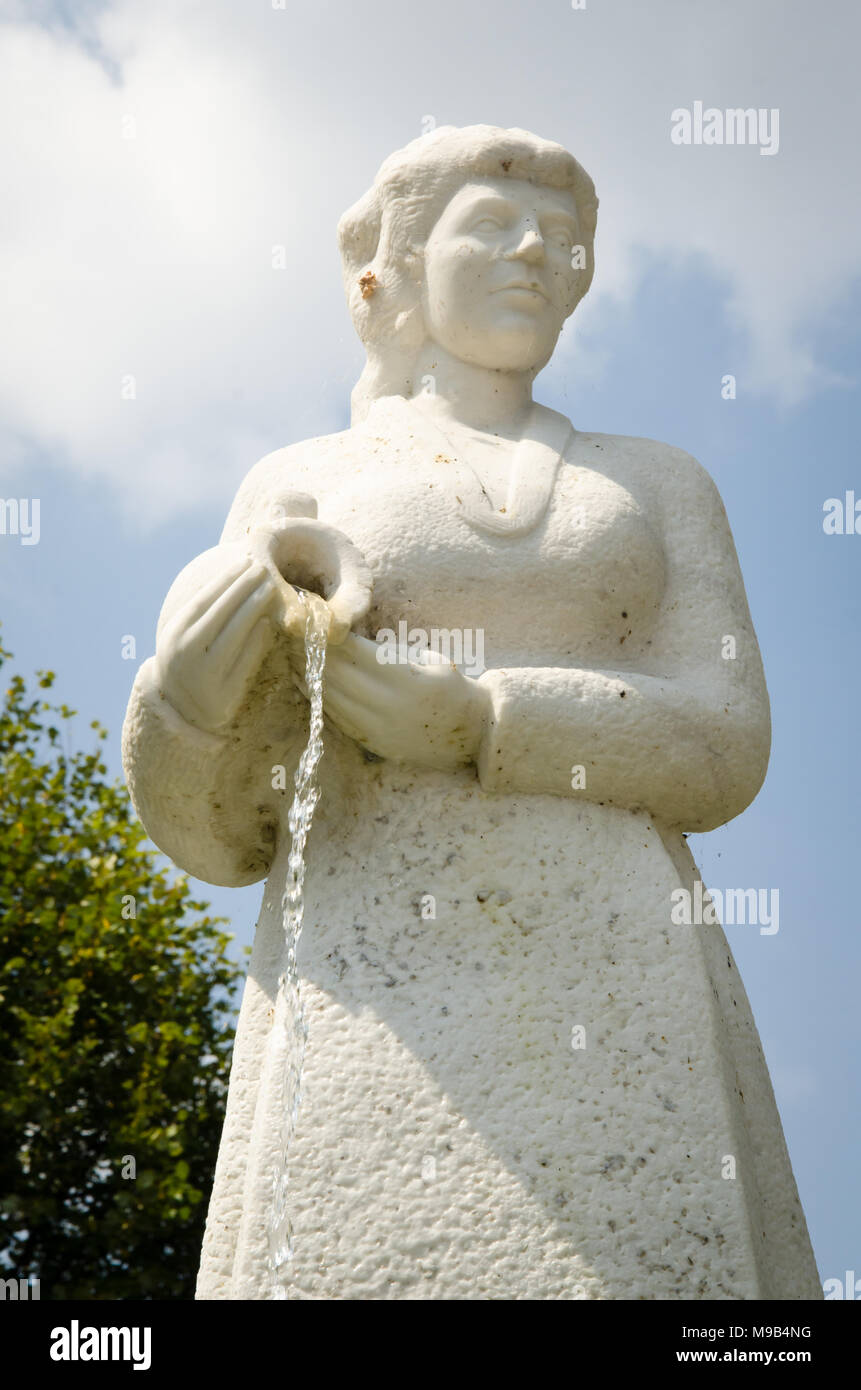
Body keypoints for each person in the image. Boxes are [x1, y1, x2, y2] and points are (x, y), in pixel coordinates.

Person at [123, 125, 820, 1300]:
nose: (535, 251)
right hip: (369, 963)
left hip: (622, 958)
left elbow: (724, 744)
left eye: (560, 237)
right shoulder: (300, 479)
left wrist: (488, 720)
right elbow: (221, 834)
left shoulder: (658, 481)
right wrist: (183, 696)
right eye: (491, 224)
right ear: (393, 265)